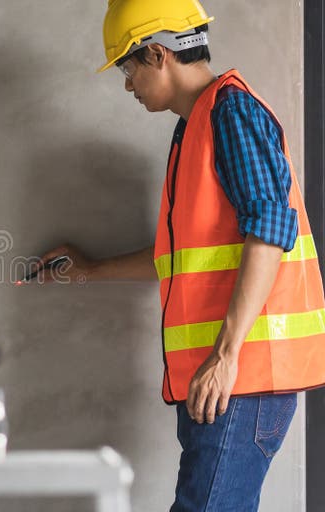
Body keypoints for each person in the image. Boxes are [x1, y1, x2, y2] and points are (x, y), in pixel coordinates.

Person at [32, 1, 325, 510]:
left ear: (158, 55)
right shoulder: (195, 127)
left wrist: (226, 356)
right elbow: (180, 256)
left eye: (128, 68)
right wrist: (91, 270)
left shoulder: (231, 112)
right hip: (220, 382)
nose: (127, 85)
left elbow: (271, 228)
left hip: (240, 377)